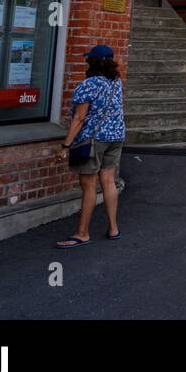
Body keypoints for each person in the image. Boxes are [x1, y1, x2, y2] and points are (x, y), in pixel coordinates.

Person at [56, 45, 127, 248]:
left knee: (88, 185)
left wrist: (65, 145)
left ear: (93, 62)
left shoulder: (88, 85)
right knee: (109, 181)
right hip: (116, 136)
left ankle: (82, 233)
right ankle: (114, 229)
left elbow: (79, 118)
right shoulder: (116, 82)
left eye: (89, 60)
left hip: (93, 140)